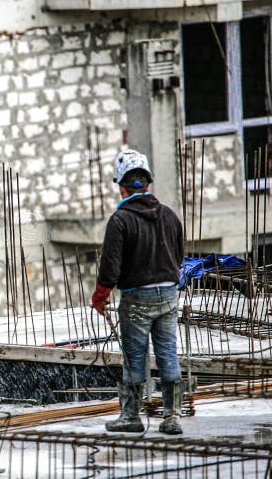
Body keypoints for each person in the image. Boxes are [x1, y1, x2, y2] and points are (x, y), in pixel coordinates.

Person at [91, 149, 185, 435]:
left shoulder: (120, 221)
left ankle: (131, 415)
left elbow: (110, 268)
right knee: (168, 352)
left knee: (134, 358)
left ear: (121, 186)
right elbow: (179, 257)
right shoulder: (169, 216)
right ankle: (172, 416)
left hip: (136, 299)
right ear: (147, 183)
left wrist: (100, 296)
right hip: (168, 295)